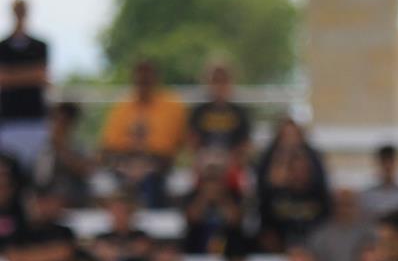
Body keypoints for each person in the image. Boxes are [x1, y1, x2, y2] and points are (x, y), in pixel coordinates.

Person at [98, 61, 188, 207]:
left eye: (147, 79)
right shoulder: (122, 107)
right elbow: (108, 146)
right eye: (140, 79)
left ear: (156, 79)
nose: (144, 83)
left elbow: (178, 145)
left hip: (159, 165)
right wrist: (128, 166)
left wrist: (148, 164)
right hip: (124, 164)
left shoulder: (172, 106)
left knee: (152, 184)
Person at [0, 0, 50, 171]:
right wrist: (30, 74)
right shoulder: (3, 47)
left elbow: (42, 76)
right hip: (9, 121)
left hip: (35, 120)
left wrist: (12, 75)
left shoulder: (39, 46)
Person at [2, 186, 74, 261]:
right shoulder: (20, 230)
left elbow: (64, 255)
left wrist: (28, 258)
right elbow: (13, 260)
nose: (45, 207)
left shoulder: (64, 232)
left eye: (50, 202)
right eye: (41, 202)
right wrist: (48, 256)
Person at [188, 64, 253, 179]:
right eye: (215, 80)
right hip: (205, 161)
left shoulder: (240, 113)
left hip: (232, 161)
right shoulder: (199, 112)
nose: (219, 86)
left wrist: (230, 159)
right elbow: (193, 142)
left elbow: (245, 144)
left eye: (223, 81)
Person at [31, 101, 90, 207]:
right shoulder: (42, 147)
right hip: (46, 204)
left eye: (62, 121)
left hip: (73, 202)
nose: (56, 125)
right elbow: (39, 180)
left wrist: (61, 149)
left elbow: (85, 170)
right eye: (54, 120)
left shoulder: (80, 147)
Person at [357, 144, 398, 221]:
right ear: (377, 163)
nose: (387, 166)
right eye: (384, 161)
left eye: (391, 161)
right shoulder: (365, 195)